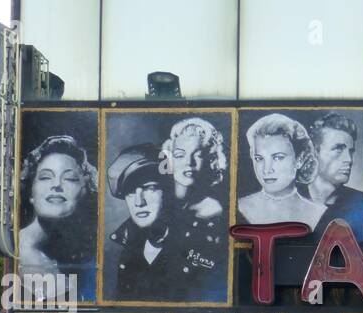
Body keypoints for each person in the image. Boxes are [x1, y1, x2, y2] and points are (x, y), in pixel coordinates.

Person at [18, 134, 98, 301]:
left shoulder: (89, 260)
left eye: (69, 178)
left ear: (84, 191)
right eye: (46, 177)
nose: (56, 185)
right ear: (30, 191)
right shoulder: (11, 249)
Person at [159, 117, 229, 300]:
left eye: (198, 155)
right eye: (180, 155)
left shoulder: (214, 211)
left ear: (211, 160)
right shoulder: (158, 200)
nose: (189, 162)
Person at [105, 143, 178, 300]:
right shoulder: (120, 252)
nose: (139, 202)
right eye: (131, 192)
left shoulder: (194, 242)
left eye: (149, 188)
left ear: (168, 190)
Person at [238, 113, 326, 229]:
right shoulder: (239, 207)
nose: (266, 169)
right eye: (259, 159)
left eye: (278, 157)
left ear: (299, 159)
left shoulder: (319, 213)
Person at [307, 112, 363, 238]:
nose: (349, 160)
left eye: (351, 151)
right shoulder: (290, 201)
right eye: (338, 149)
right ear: (313, 152)